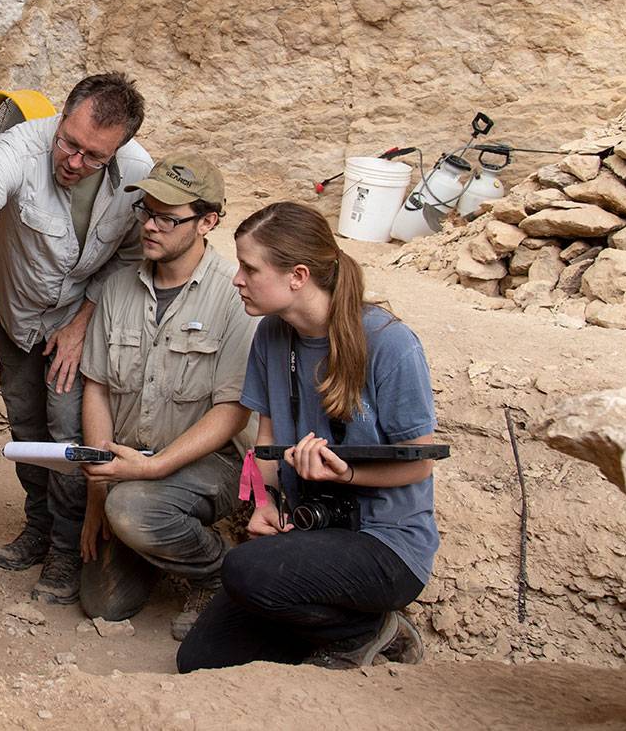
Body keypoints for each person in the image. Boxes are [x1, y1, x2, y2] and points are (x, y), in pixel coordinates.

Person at [0, 73, 153, 604]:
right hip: (17, 315)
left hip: (81, 322)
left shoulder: (136, 173)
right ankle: (37, 526)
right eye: (69, 143)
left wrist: (83, 321)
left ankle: (65, 550)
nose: (74, 162)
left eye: (93, 157)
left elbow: (133, 259)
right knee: (24, 425)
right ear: (61, 117)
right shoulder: (20, 145)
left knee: (66, 433)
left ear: (119, 149)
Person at [177, 201, 439, 672]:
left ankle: (369, 630)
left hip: (385, 544)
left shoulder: (390, 343)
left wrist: (350, 473)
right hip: (308, 532)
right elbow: (268, 443)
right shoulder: (272, 336)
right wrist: (264, 504)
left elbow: (421, 462)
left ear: (298, 276)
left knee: (244, 569)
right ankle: (329, 627)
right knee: (201, 660)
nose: (237, 279)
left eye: (249, 268)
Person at [77, 154, 259, 640]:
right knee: (103, 604)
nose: (149, 227)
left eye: (166, 218)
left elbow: (233, 412)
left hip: (208, 464)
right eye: (146, 213)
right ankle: (158, 541)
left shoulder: (234, 296)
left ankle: (216, 570)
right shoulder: (117, 289)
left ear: (208, 222)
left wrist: (153, 470)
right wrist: (98, 490)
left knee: (133, 509)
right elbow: (96, 388)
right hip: (127, 466)